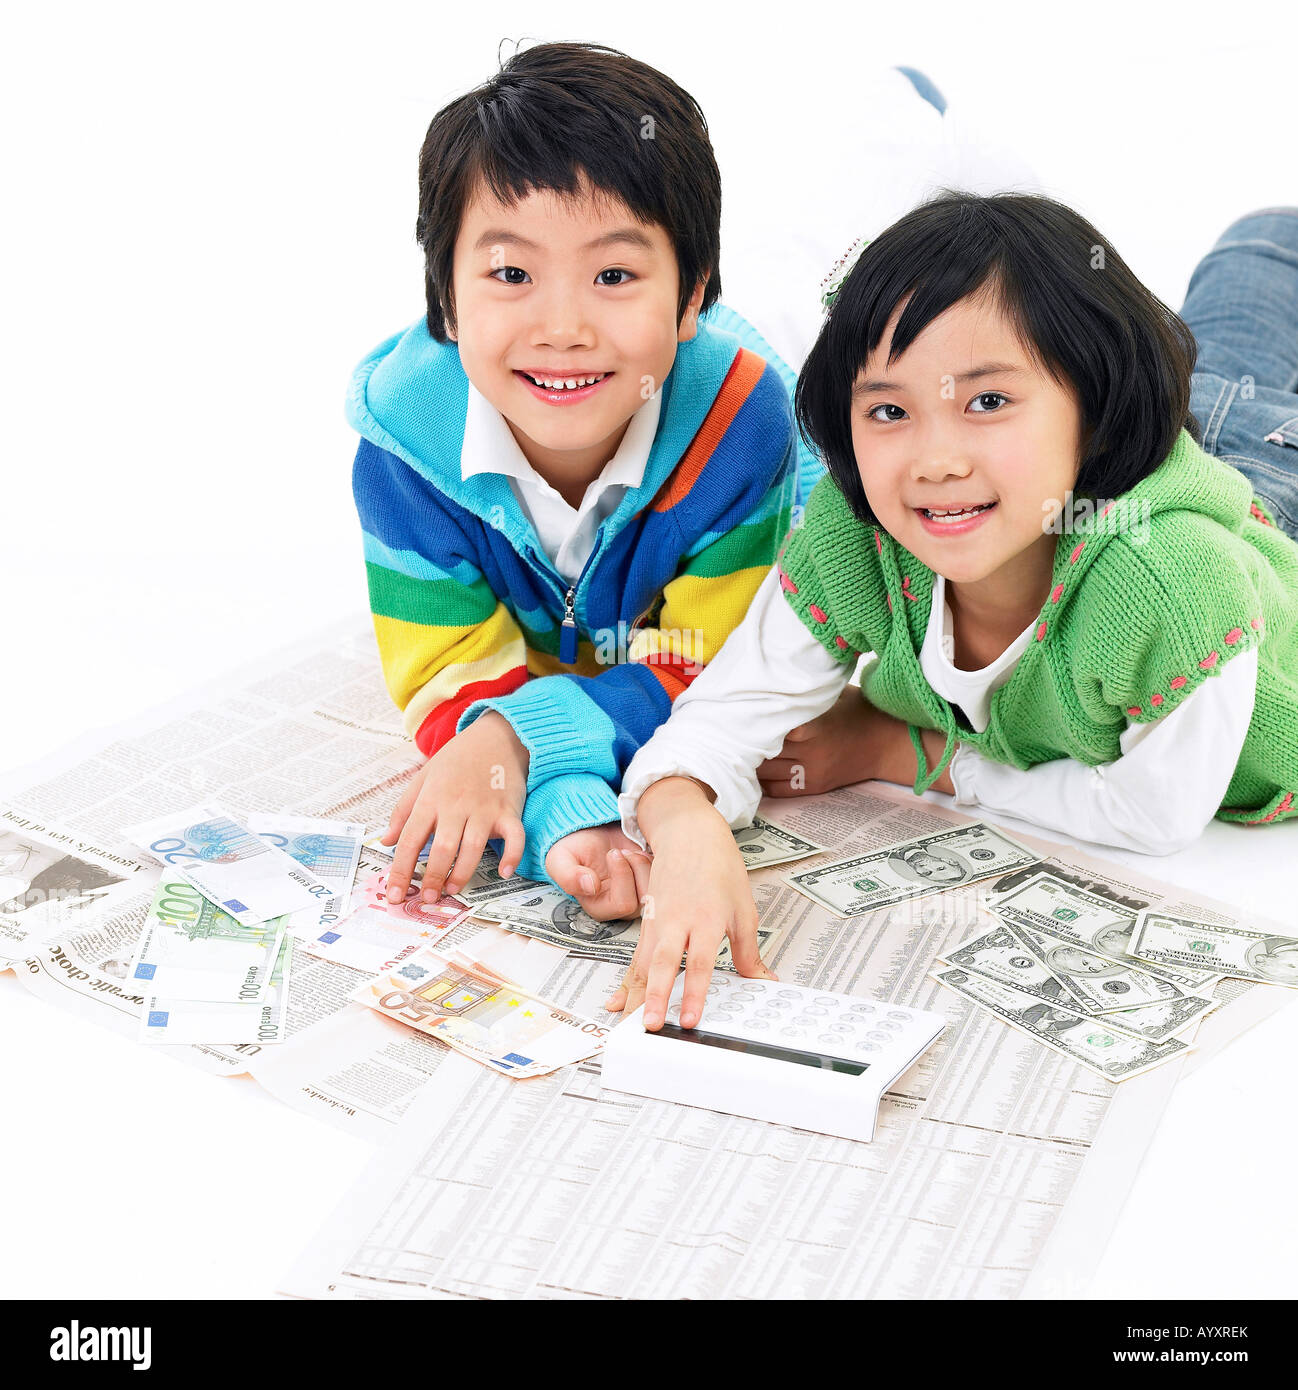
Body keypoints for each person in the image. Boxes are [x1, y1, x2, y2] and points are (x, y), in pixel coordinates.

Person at [609, 192, 1298, 1031]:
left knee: (1265, 276)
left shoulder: (1169, 585)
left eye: (986, 402)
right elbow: (719, 720)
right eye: (890, 411)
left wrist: (910, 752)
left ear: (1095, 405)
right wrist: (684, 826)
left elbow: (1149, 815)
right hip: (1151, 455)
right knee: (1247, 294)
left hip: (1268, 516)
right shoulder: (855, 534)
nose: (935, 461)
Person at [354, 42, 825, 921]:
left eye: (614, 274)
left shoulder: (742, 431)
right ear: (448, 302)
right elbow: (452, 674)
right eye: (510, 274)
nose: (562, 327)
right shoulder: (403, 450)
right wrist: (566, 813)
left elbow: (708, 669)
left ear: (693, 298)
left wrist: (517, 735)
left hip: (797, 399)